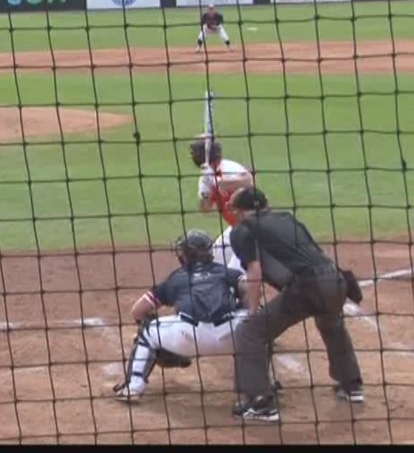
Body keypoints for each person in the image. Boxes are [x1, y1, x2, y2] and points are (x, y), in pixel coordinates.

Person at [225, 186, 365, 422]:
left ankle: (261, 403)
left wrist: (252, 309)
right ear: (266, 203)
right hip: (336, 280)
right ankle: (351, 386)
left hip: (308, 286)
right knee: (331, 323)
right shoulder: (287, 218)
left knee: (252, 331)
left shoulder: (242, 230)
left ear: (238, 211)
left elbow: (255, 269)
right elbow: (313, 253)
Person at [111, 230, 250, 402]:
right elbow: (250, 289)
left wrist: (161, 342)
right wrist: (242, 308)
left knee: (146, 331)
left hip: (188, 338)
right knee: (258, 322)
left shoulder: (176, 278)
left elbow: (138, 311)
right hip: (231, 338)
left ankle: (133, 387)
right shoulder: (228, 273)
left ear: (184, 255)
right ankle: (257, 387)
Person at [189, 136, 254, 271]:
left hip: (252, 229)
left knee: (236, 273)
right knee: (213, 262)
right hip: (235, 228)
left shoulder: (228, 167)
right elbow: (205, 209)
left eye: (194, 152)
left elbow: (249, 180)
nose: (192, 156)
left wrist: (219, 182)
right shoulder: (205, 176)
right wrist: (207, 191)